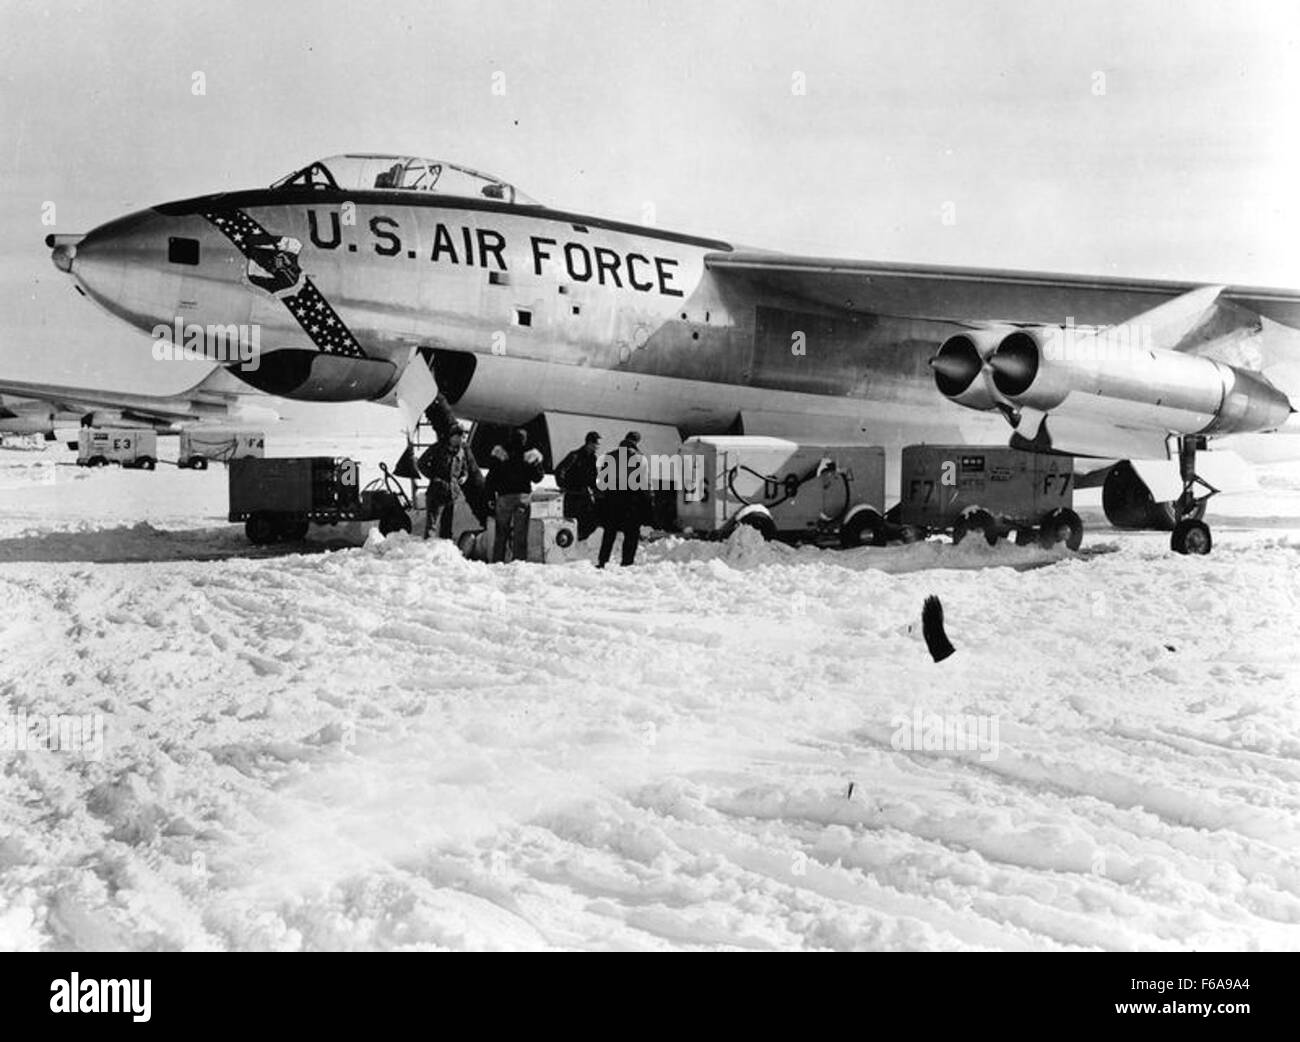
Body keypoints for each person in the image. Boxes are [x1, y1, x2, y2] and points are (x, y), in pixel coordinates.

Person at [486, 428, 545, 562]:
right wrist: (537, 464)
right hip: (522, 498)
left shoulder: (500, 454)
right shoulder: (530, 455)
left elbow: (491, 478)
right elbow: (537, 478)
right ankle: (518, 563)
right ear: (525, 439)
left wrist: (490, 496)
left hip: (504, 497)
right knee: (520, 534)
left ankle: (497, 561)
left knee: (501, 534)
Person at [596, 430, 653, 568]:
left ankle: (603, 561)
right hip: (631, 503)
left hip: (612, 501)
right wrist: (649, 502)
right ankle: (627, 562)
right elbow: (645, 485)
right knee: (631, 534)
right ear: (636, 442)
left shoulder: (610, 456)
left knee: (609, 533)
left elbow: (602, 483)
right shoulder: (640, 459)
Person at [418, 425, 483, 540]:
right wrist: (433, 477)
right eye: (458, 436)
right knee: (432, 525)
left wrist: (464, 477)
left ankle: (445, 549)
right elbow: (421, 463)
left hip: (452, 493)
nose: (460, 439)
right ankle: (428, 549)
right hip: (436, 491)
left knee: (447, 526)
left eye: (461, 437)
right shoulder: (438, 448)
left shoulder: (461, 452)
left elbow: (464, 469)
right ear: (451, 437)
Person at [553, 430, 602, 540]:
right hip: (572, 495)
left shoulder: (593, 459)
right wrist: (563, 485)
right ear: (589, 443)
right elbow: (560, 470)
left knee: (590, 521)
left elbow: (593, 478)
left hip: (584, 495)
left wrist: (597, 490)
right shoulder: (574, 456)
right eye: (596, 444)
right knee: (572, 522)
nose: (597, 447)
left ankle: (579, 541)